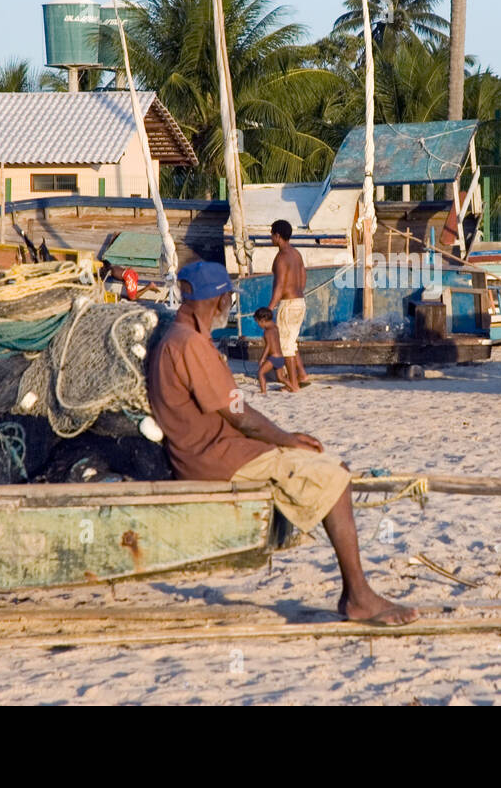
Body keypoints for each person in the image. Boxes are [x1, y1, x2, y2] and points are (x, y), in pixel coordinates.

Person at [147, 260, 416, 625]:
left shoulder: (178, 339)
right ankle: (358, 596)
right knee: (335, 477)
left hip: (215, 452)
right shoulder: (189, 344)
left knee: (325, 465)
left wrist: (285, 441)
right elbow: (239, 413)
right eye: (228, 299)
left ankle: (357, 591)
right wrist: (286, 439)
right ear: (217, 301)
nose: (229, 307)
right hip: (219, 459)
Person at [268, 219, 310, 388]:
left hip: (289, 304)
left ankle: (292, 383)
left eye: (271, 234)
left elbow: (279, 285)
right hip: (300, 302)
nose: (270, 237)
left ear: (277, 236)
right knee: (291, 341)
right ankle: (302, 375)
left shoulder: (281, 257)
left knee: (285, 345)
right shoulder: (296, 253)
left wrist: (270, 307)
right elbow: (303, 277)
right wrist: (296, 293)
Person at [253, 307, 291, 394]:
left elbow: (268, 346)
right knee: (281, 377)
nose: (258, 325)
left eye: (258, 322)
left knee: (261, 373)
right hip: (280, 357)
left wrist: (263, 358)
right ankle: (293, 387)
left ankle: (263, 391)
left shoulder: (267, 332)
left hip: (273, 358)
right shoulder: (275, 327)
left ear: (262, 320)